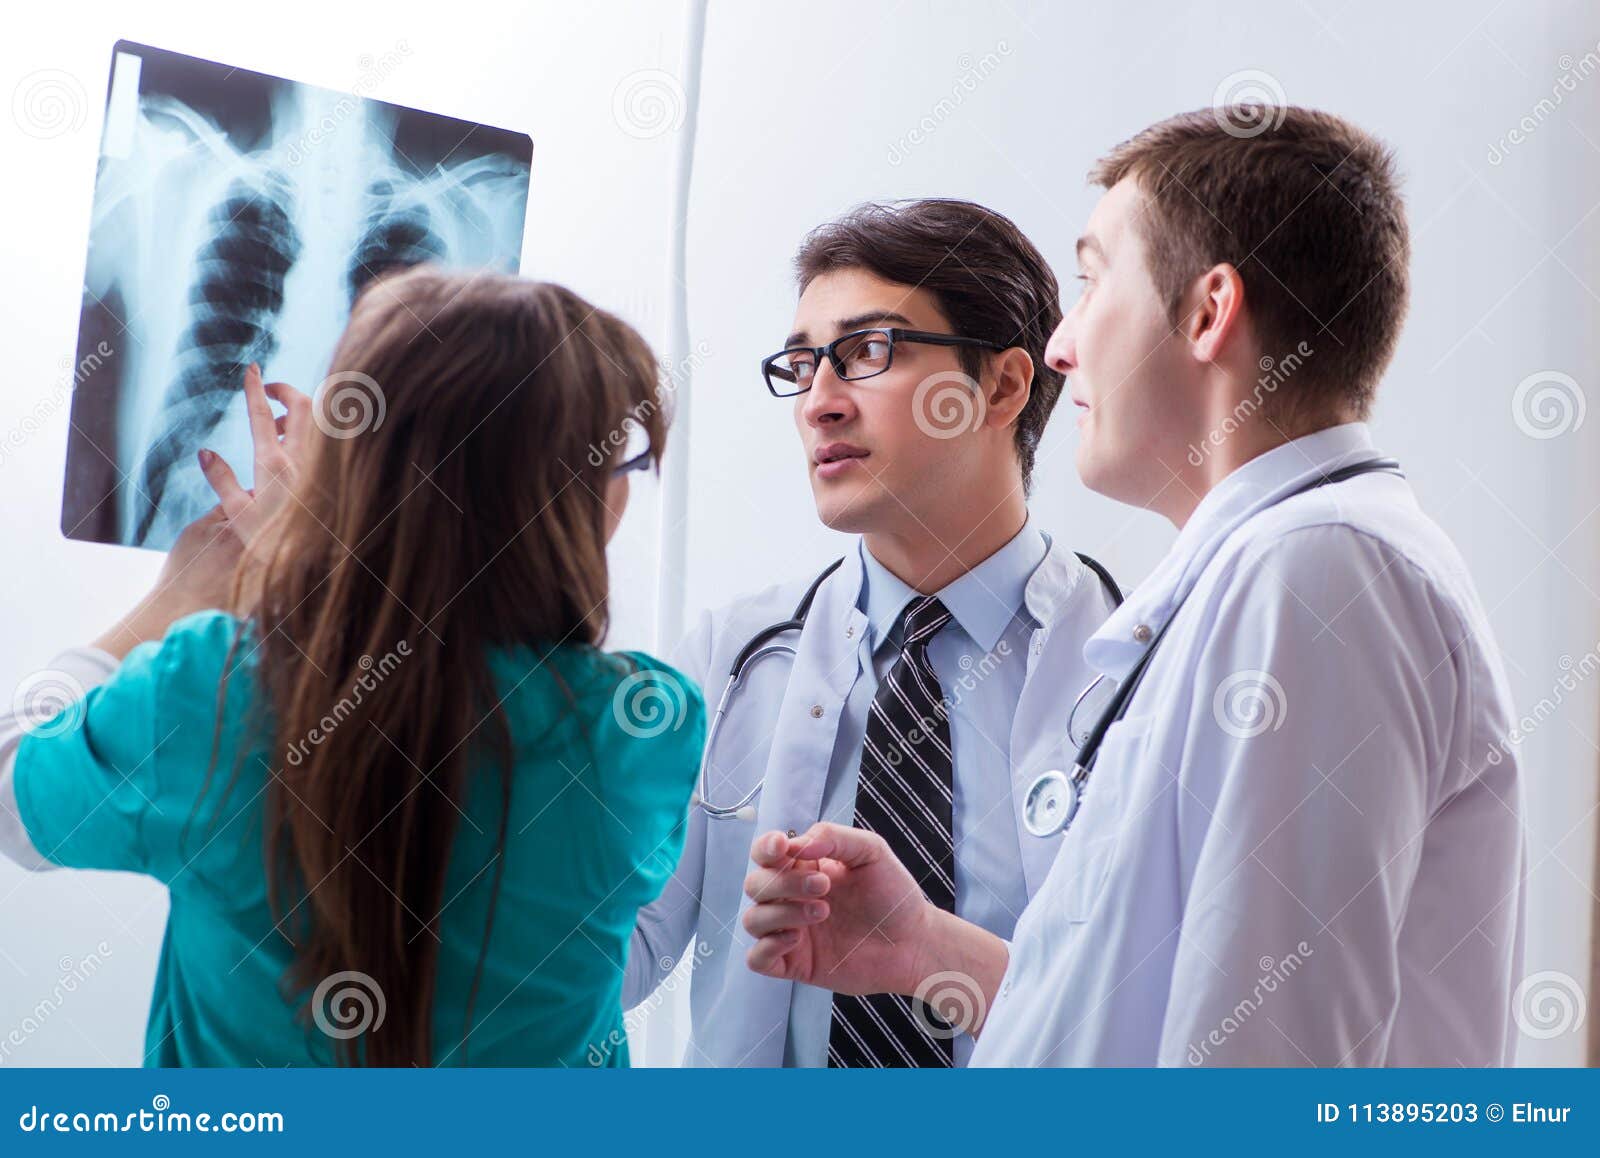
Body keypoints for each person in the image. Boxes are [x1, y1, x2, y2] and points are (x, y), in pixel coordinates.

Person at [740, 107, 1525, 1066]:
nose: (1064, 348)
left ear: (1208, 312)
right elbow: (1134, 1021)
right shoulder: (1263, 574)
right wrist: (923, 948)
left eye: (1091, 281)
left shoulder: (1319, 571)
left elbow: (1261, 1069)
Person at [0, 268, 706, 1067]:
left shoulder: (214, 689)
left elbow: (12, 796)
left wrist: (194, 600)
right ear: (587, 491)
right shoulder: (644, 729)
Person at [625, 199, 1121, 1067]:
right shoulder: (725, 659)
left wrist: (936, 955)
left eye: (865, 353)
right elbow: (597, 962)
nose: (818, 403)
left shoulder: (1136, 665)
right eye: (802, 364)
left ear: (1003, 385)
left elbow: (1167, 1027)